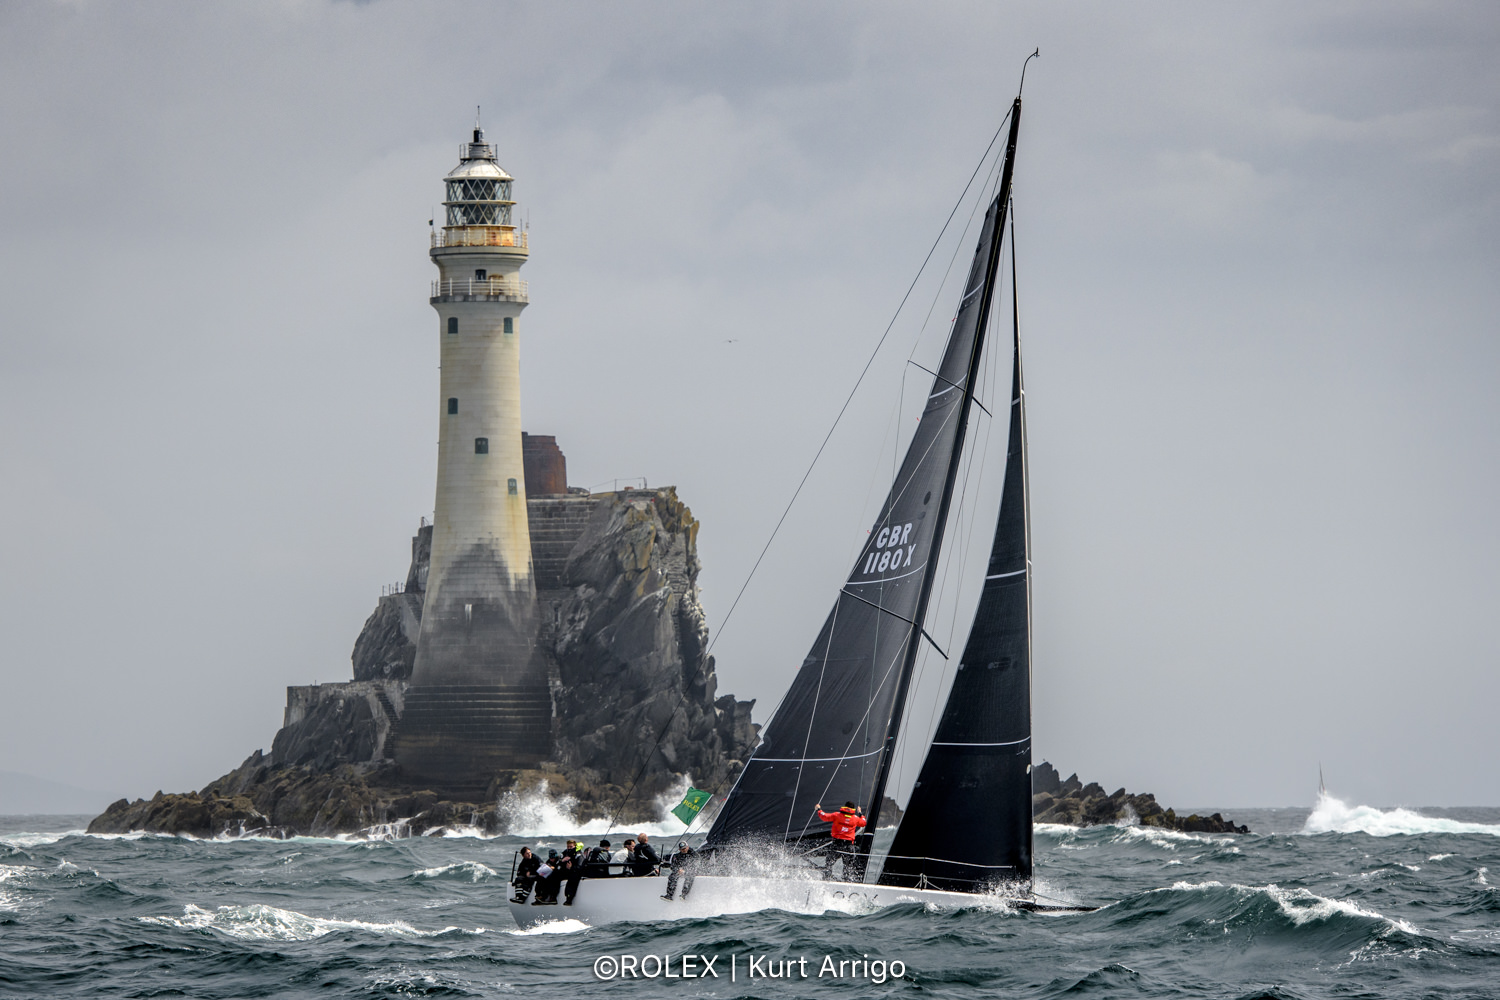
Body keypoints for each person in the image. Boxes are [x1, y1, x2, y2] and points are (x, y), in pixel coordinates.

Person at [814, 801, 867, 881]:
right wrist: (860, 813)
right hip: (848, 846)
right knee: (848, 866)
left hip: (837, 844)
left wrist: (819, 809)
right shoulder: (856, 818)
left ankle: (826, 878)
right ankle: (846, 880)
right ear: (853, 809)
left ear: (844, 807)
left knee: (829, 863)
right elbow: (863, 823)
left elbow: (824, 816)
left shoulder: (837, 815)